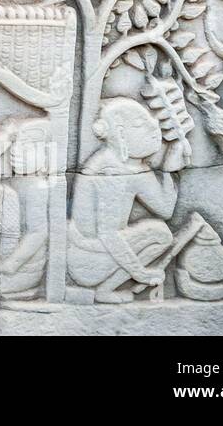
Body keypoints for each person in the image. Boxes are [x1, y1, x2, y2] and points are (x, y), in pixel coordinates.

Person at [68, 98, 187, 302]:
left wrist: (169, 170)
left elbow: (165, 209)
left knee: (161, 233)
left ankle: (108, 288)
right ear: (121, 134)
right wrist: (140, 273)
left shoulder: (135, 166)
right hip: (88, 257)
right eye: (140, 124)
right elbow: (108, 234)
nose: (154, 128)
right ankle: (105, 290)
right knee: (160, 234)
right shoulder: (108, 169)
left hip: (109, 250)